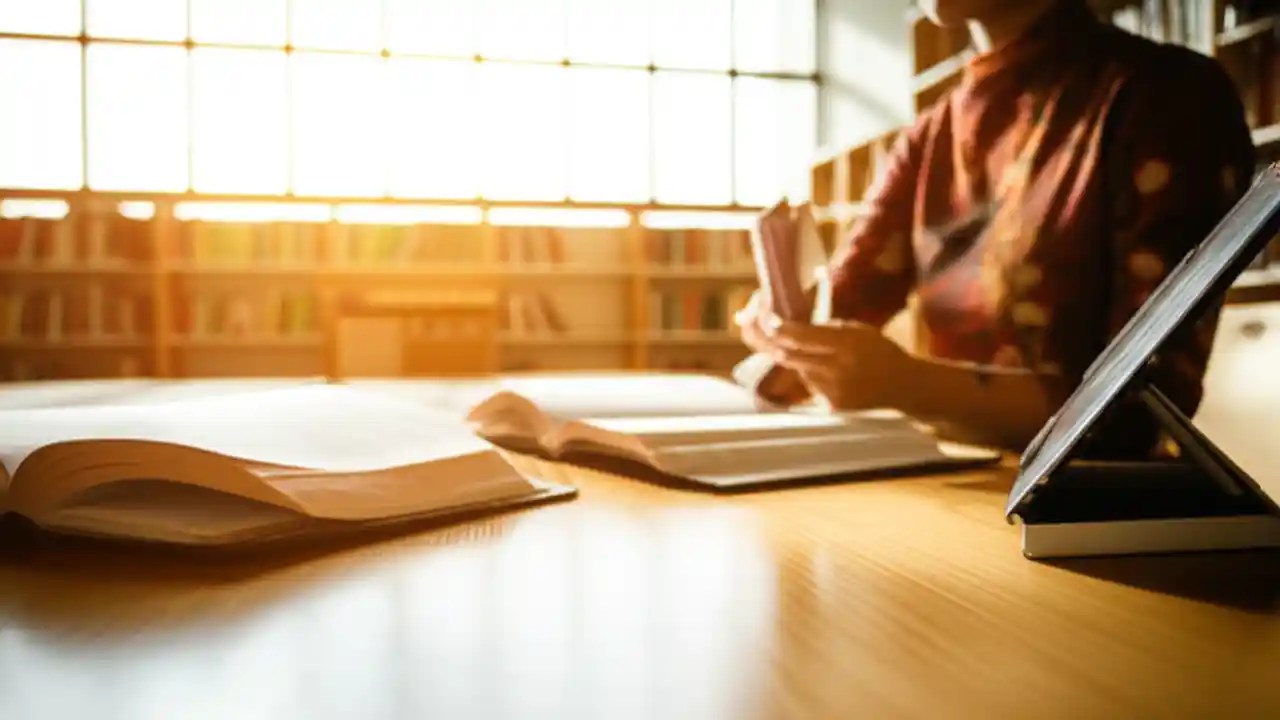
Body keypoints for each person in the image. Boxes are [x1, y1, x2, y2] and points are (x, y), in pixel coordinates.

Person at [737, 0, 1257, 453]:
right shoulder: (927, 138)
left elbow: (1140, 406)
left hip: (1089, 521)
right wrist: (785, 332)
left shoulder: (1167, 96)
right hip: (950, 488)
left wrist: (908, 384)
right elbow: (843, 308)